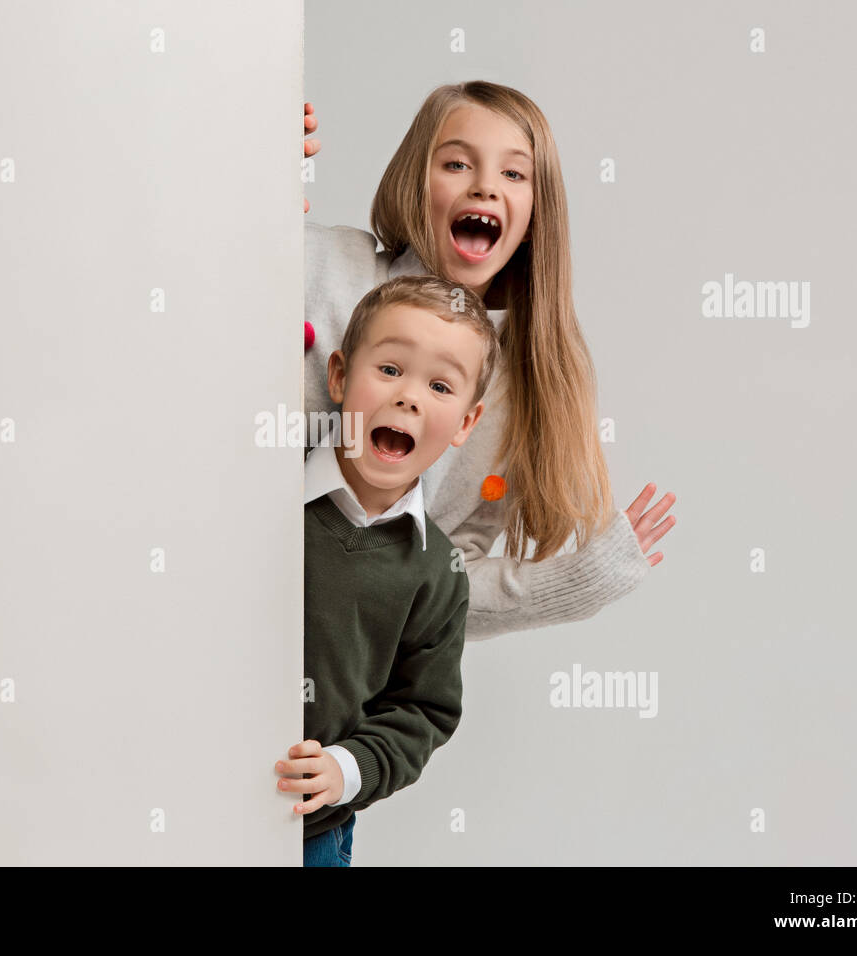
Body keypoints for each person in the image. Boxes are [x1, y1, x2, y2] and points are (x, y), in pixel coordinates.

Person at [301, 82, 677, 643]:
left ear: (534, 211)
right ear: (416, 180)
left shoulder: (517, 392)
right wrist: (248, 171)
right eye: (456, 163)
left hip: (336, 687)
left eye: (514, 174)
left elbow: (440, 587)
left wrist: (579, 580)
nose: (484, 186)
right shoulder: (327, 265)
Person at [279, 273, 500, 866]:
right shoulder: (261, 489)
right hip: (189, 795)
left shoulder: (438, 572)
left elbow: (422, 710)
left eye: (439, 385)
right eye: (390, 369)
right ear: (338, 376)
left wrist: (344, 769)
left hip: (307, 832)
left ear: (465, 423)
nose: (409, 397)